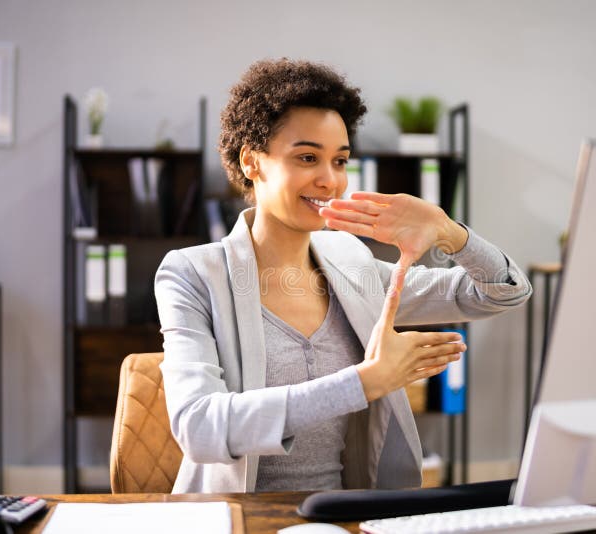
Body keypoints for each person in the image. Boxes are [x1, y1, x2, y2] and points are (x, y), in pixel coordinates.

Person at [155, 58, 532, 494]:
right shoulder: (193, 274)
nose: (329, 180)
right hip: (239, 516)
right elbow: (198, 426)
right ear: (251, 162)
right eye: (308, 157)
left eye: (340, 160)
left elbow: (502, 293)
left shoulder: (351, 263)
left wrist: (449, 232)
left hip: (342, 516)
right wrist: (362, 383)